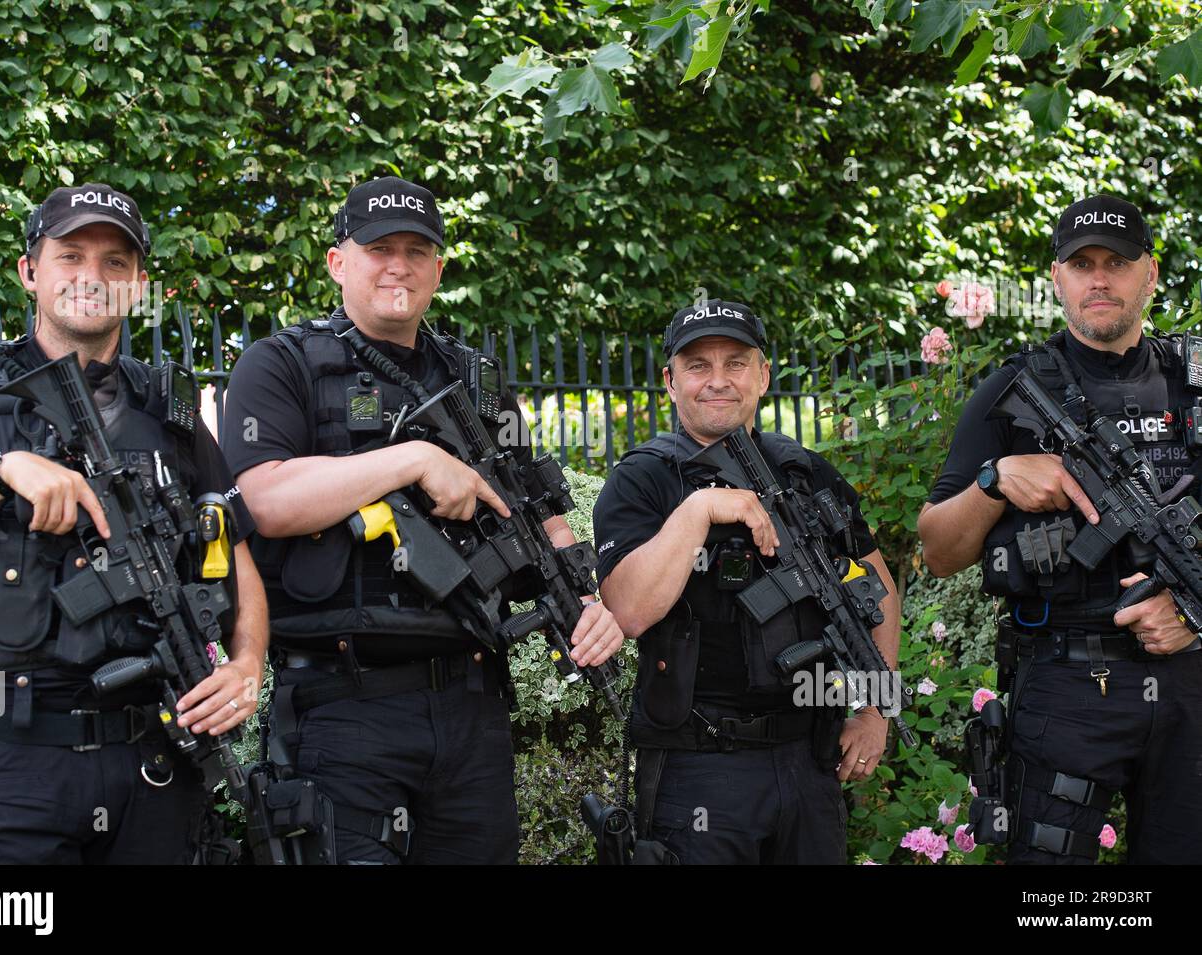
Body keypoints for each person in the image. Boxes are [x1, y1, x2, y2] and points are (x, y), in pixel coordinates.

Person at [220, 174, 624, 864]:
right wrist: (411, 460)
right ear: (338, 261)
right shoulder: (280, 364)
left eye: (416, 249)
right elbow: (265, 501)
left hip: (470, 706)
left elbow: (538, 507)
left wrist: (587, 602)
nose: (398, 265)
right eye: (379, 248)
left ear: (438, 267)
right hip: (342, 705)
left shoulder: (477, 378)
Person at [0, 182, 267, 864]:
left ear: (138, 284)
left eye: (115, 263)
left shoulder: (172, 413)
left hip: (156, 761)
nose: (91, 278)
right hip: (11, 765)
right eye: (70, 256)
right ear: (29, 271)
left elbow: (236, 555)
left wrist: (246, 663)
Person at [919, 194, 1202, 864]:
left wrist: (1195, 610)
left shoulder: (1193, 383)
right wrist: (996, 480)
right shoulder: (1013, 390)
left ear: (1150, 273)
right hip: (1067, 687)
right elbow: (936, 548)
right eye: (1082, 264)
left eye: (1117, 262)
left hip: (1190, 685)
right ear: (1058, 278)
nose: (1099, 278)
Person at [592, 298, 900, 864]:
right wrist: (698, 512)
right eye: (697, 365)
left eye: (735, 363)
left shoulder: (805, 473)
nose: (717, 381)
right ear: (670, 381)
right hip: (700, 767)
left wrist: (875, 711)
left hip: (808, 759)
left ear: (762, 375)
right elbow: (627, 611)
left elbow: (878, 590)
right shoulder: (643, 480)